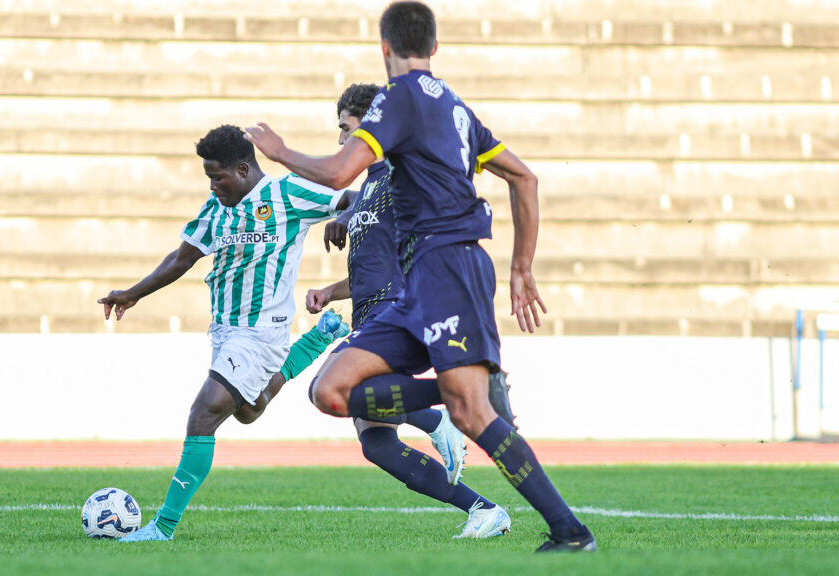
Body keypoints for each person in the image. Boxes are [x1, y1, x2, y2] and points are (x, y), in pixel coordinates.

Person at [244, 1, 596, 552]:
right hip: (418, 279)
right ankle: (464, 391)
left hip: (449, 263)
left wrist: (279, 150)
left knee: (472, 413)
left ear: (384, 48)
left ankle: (570, 531)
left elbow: (339, 170)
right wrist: (521, 266)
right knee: (331, 391)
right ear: (434, 47)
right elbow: (522, 179)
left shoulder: (399, 99)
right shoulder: (454, 107)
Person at [100, 125, 351, 542]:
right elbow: (181, 258)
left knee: (204, 413)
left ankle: (162, 528)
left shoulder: (287, 194)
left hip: (260, 332)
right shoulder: (216, 210)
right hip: (224, 330)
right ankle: (318, 339)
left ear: (242, 169)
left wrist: (342, 215)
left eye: (217, 177)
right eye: (208, 178)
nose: (213, 186)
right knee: (248, 410)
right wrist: (133, 294)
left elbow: (355, 197)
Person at [305, 82, 511, 539]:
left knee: (329, 386)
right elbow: (375, 259)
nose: (341, 140)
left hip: (397, 312)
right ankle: (483, 509)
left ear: (371, 127)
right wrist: (330, 290)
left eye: (347, 129)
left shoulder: (402, 176)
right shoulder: (368, 188)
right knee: (376, 443)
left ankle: (440, 414)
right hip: (368, 312)